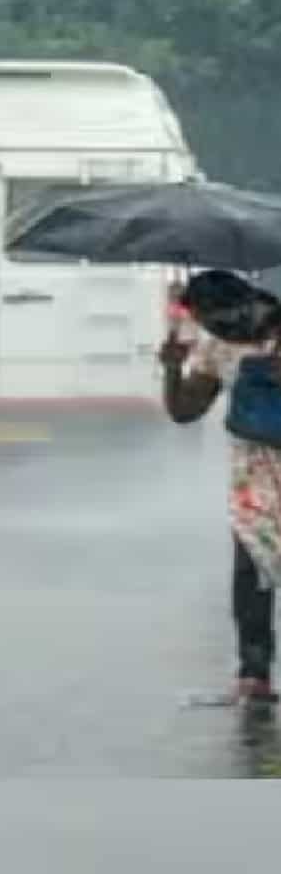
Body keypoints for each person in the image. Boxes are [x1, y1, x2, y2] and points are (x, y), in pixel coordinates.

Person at [161, 269, 281, 703]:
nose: (210, 327)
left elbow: (185, 411)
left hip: (257, 472)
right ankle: (254, 673)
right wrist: (172, 367)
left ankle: (254, 675)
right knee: (251, 572)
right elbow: (184, 410)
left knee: (251, 572)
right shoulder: (218, 346)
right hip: (254, 473)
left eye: (206, 317)